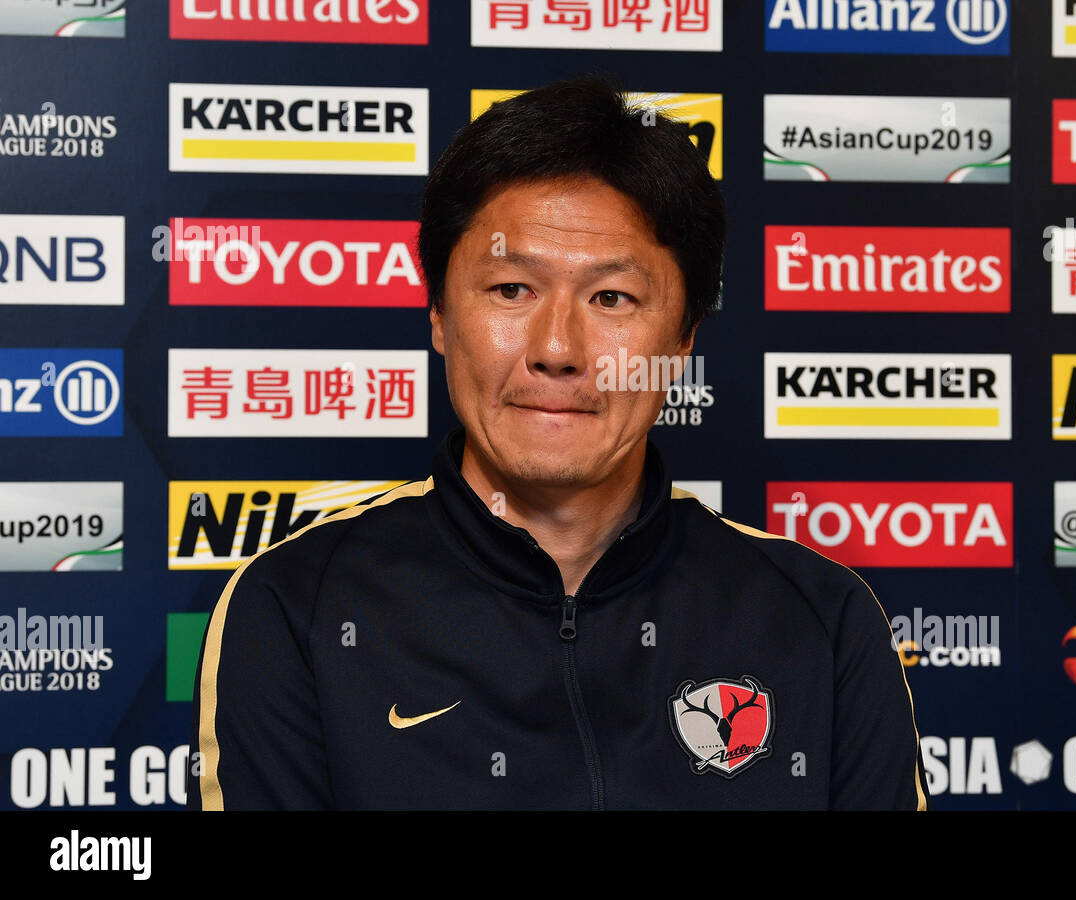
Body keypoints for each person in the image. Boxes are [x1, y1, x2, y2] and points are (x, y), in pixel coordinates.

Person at [186, 75, 928, 809]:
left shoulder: (822, 622)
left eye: (612, 298)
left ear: (681, 341)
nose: (557, 349)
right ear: (440, 316)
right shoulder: (294, 610)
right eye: (512, 289)